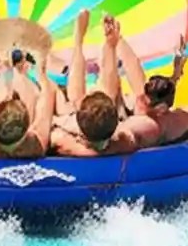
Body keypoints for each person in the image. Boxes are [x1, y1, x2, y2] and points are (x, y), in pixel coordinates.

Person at [49, 10, 139, 157]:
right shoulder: (126, 139)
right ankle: (110, 46)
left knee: (75, 102)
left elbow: (52, 129)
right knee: (108, 100)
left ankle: (78, 41)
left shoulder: (64, 140)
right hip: (103, 130)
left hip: (78, 125)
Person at [117, 33, 188, 146]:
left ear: (161, 109)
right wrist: (177, 69)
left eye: (146, 101)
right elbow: (133, 66)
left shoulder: (171, 122)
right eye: (144, 96)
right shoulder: (141, 100)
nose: (142, 100)